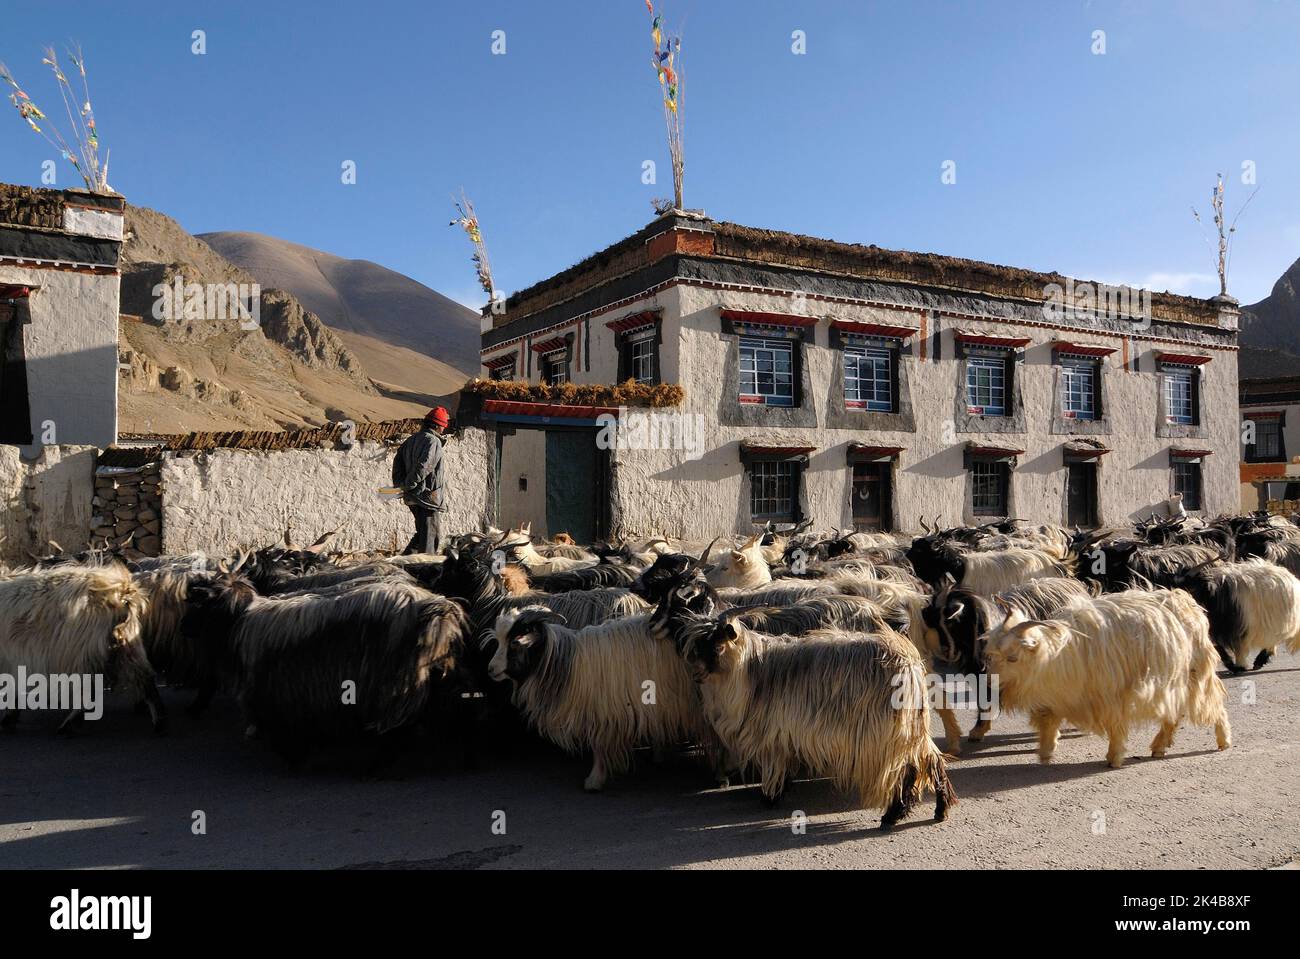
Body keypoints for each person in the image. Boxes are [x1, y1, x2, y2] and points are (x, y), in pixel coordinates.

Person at [393, 406, 450, 554]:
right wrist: (410, 484)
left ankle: (403, 564)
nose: (443, 430)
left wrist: (401, 486)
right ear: (437, 426)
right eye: (443, 427)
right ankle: (423, 570)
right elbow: (425, 466)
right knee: (431, 538)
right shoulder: (433, 442)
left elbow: (397, 464)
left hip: (412, 496)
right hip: (426, 497)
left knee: (422, 535)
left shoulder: (409, 441)